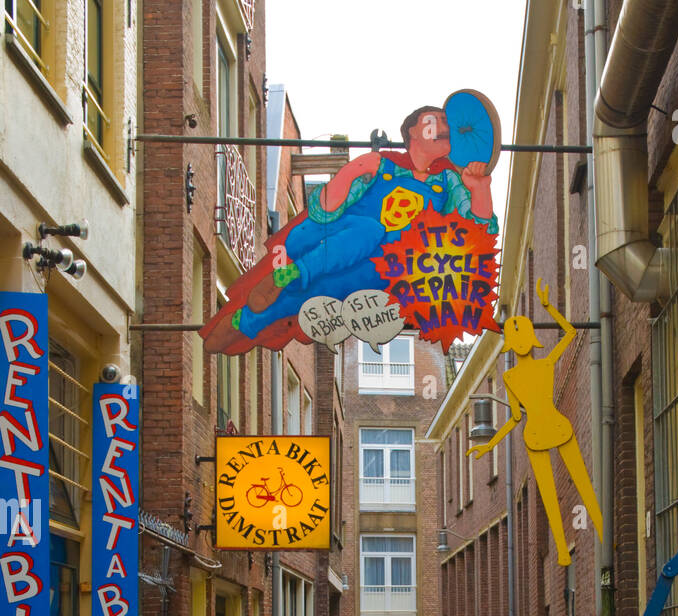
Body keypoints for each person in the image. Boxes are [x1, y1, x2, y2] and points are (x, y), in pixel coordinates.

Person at [201, 103, 498, 356]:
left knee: (315, 296)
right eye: (438, 119)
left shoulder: (447, 183)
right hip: (327, 238)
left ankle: (246, 320)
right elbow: (324, 211)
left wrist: (479, 188)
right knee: (369, 231)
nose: (446, 126)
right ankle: (289, 273)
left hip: (369, 264)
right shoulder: (381, 164)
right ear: (412, 131)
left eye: (449, 123)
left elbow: (478, 231)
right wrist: (350, 176)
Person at [467, 279, 602, 565]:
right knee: (584, 483)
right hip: (557, 426)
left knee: (551, 496)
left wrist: (490, 446)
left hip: (536, 434)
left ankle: (563, 552)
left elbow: (515, 418)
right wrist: (547, 306)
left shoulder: (511, 377)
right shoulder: (544, 364)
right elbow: (568, 332)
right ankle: (603, 530)